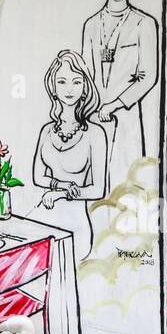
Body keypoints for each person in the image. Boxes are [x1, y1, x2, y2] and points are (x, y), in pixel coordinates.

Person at [80, 0, 158, 188]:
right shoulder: (91, 25)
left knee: (126, 187)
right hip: (93, 116)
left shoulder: (144, 23)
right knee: (94, 187)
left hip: (126, 116)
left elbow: (148, 76)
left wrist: (115, 104)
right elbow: (85, 75)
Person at [31, 50, 109, 261]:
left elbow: (97, 189)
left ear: (84, 87)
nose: (69, 89)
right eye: (62, 82)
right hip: (44, 215)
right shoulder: (47, 130)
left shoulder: (95, 133)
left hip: (74, 223)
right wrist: (61, 185)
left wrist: (60, 194)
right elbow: (38, 177)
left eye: (76, 82)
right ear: (53, 88)